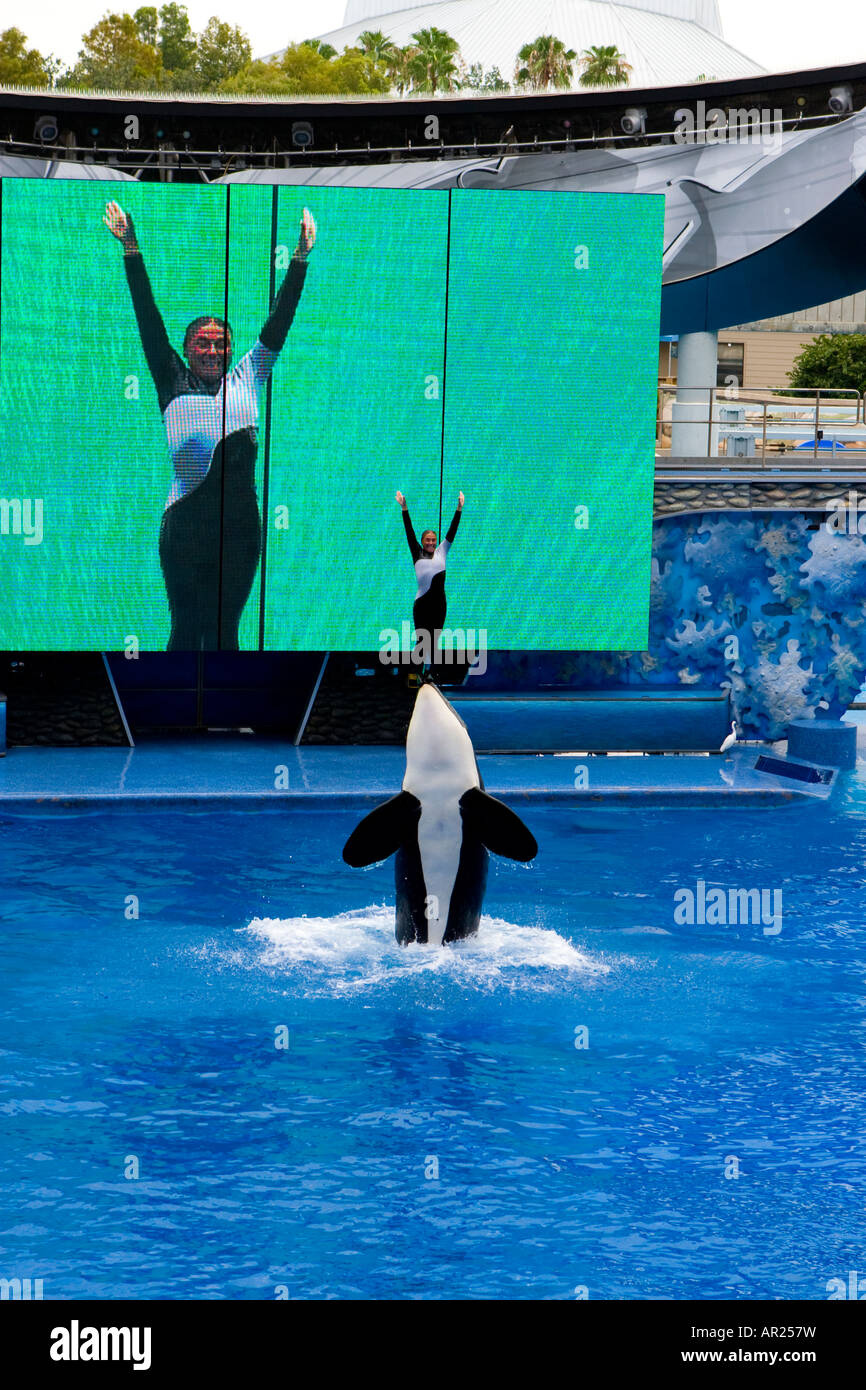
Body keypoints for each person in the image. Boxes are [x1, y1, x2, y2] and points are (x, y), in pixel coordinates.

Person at [104, 199, 316, 650]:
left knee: (226, 634)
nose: (213, 351)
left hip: (240, 527)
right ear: (186, 349)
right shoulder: (170, 380)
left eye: (221, 345)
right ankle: (168, 715)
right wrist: (131, 246)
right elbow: (148, 319)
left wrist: (298, 260)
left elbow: (279, 323)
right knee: (186, 629)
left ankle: (232, 712)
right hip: (186, 524)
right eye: (203, 343)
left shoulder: (249, 374)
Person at [396, 489, 464, 672]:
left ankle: (430, 675)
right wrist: (404, 508)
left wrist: (459, 508)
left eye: (433, 540)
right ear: (422, 541)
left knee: (434, 642)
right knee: (421, 641)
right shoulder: (416, 553)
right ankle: (415, 674)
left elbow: (452, 531)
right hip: (422, 605)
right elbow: (409, 531)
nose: (431, 543)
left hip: (440, 604)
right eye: (428, 540)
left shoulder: (442, 551)